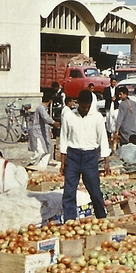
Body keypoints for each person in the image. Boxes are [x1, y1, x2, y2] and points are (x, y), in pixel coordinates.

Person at [59, 89, 110, 220]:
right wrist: (62, 161)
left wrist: (106, 162)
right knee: (69, 191)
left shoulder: (97, 118)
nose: (85, 109)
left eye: (87, 107)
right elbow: (63, 139)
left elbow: (103, 139)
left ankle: (101, 218)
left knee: (95, 190)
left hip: (90, 157)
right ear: (78, 103)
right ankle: (70, 221)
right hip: (73, 156)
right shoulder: (69, 116)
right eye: (83, 107)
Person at [27, 93, 58, 170]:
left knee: (47, 150)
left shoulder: (44, 108)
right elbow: (45, 118)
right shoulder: (41, 108)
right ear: (50, 101)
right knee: (40, 151)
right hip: (37, 133)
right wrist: (54, 123)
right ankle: (32, 163)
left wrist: (50, 129)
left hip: (43, 133)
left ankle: (40, 167)